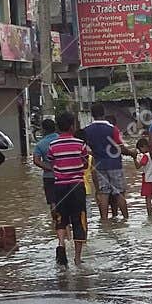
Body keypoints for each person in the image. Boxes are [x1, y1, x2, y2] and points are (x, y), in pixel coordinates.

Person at [33, 113, 91, 268]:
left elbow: (52, 163)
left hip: (59, 186)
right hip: (77, 187)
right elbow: (85, 164)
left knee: (60, 218)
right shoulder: (80, 144)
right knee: (79, 221)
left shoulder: (53, 146)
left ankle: (61, 244)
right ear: (72, 126)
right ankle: (77, 259)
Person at [82, 104, 131, 222]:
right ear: (103, 113)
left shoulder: (86, 130)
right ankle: (125, 219)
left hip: (99, 165)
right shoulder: (112, 129)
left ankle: (104, 220)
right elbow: (121, 148)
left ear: (92, 114)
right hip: (114, 165)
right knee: (119, 192)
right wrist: (132, 153)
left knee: (103, 193)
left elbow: (84, 150)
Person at [135, 132, 152, 223]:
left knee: (148, 199)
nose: (140, 152)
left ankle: (149, 215)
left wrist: (135, 158)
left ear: (143, 147)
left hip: (147, 179)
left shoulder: (146, 156)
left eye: (140, 149)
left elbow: (139, 166)